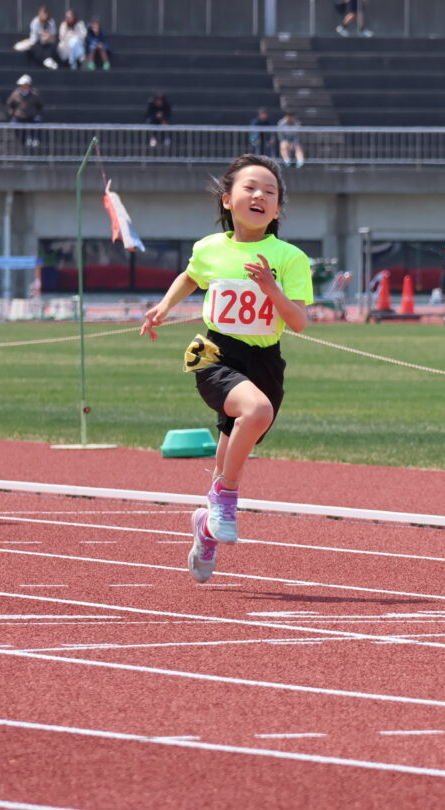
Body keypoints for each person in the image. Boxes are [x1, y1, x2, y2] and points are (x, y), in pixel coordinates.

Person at [140, 154, 313, 582]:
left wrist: (271, 288)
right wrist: (163, 307)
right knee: (256, 411)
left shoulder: (290, 257)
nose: (260, 196)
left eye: (270, 192)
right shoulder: (209, 248)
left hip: (265, 360)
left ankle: (206, 530)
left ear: (278, 209)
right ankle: (225, 497)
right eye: (250, 188)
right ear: (227, 199)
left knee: (237, 436)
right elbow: (191, 276)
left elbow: (298, 321)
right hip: (217, 354)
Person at [7, 74, 44, 147]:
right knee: (16, 126)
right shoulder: (15, 94)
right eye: (22, 85)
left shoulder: (34, 94)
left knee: (36, 124)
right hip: (19, 116)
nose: (24, 87)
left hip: (31, 116)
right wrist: (12, 114)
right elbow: (10, 104)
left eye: (25, 85)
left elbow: (40, 105)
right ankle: (22, 141)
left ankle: (34, 139)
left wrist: (38, 114)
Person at [26, 6, 59, 70]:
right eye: (42, 14)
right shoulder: (35, 22)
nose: (44, 17)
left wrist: (49, 36)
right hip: (37, 43)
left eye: (46, 14)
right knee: (36, 48)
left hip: (48, 43)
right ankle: (47, 60)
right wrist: (47, 35)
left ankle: (48, 61)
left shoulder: (51, 21)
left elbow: (53, 34)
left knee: (53, 47)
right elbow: (41, 34)